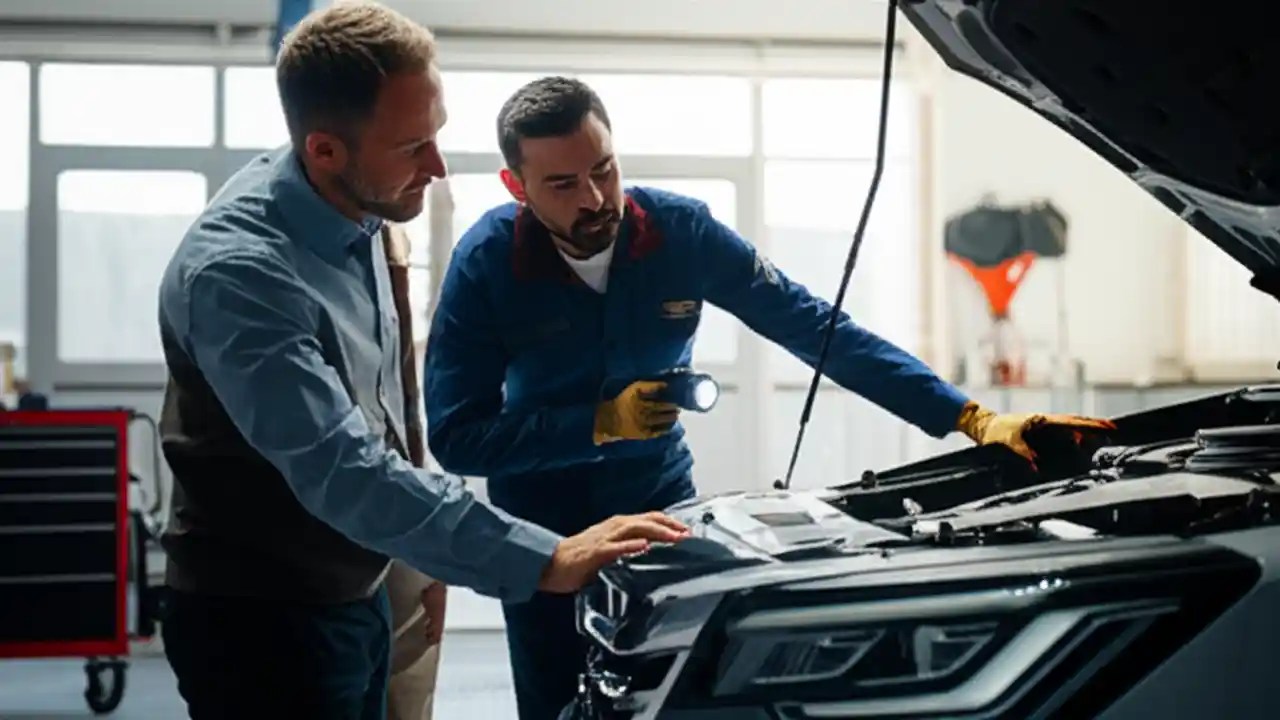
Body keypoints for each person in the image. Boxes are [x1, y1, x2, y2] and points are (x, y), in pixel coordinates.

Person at [421, 75, 1116, 719]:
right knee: (557, 706)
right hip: (546, 537)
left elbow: (817, 328)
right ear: (517, 185)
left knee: (672, 701)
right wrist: (597, 424)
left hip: (659, 510)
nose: (596, 199)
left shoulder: (681, 233)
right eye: (565, 184)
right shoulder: (485, 265)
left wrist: (969, 416)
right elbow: (456, 437)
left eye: (604, 170)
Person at [154, 6, 689, 720]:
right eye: (414, 146)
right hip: (265, 619)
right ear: (323, 151)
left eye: (436, 136)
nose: (436, 168)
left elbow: (385, 413)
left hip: (362, 585)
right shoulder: (241, 278)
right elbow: (339, 467)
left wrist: (415, 562)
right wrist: (542, 558)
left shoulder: (358, 208)